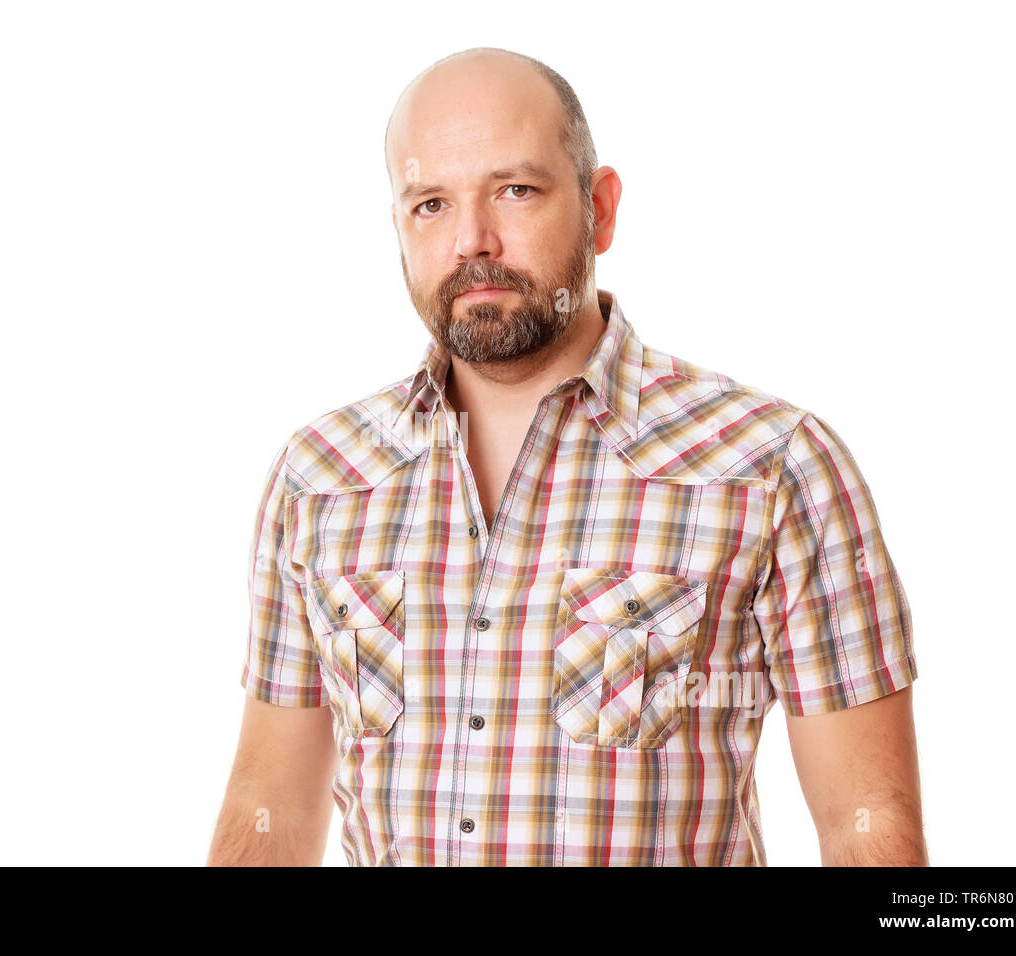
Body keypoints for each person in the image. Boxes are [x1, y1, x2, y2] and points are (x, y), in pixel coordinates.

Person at [208, 46, 924, 866]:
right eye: (431, 205)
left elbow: (865, 824)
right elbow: (271, 808)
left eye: (515, 190)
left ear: (601, 208)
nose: (472, 241)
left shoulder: (772, 468)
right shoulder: (319, 479)